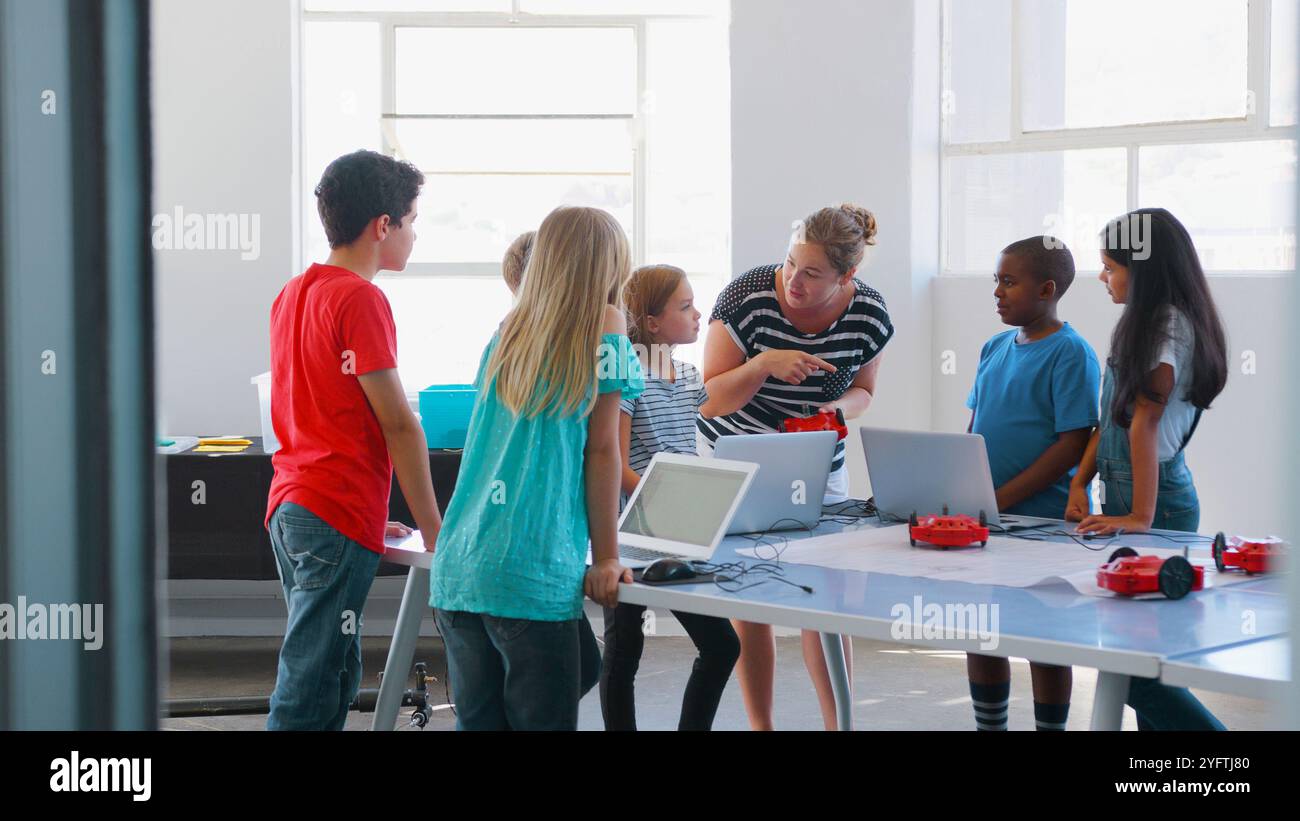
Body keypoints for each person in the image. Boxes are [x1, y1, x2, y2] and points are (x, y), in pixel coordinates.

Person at [430, 206, 644, 730]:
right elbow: (602, 452)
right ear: (609, 267)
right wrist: (607, 560)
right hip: (529, 570)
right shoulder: (606, 323)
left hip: (461, 565)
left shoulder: (508, 329)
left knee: (510, 705)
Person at [265, 149, 443, 730]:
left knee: (332, 669)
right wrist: (435, 531)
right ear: (382, 225)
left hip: (298, 507)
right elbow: (398, 423)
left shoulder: (295, 293)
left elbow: (323, 411)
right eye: (411, 221)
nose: (414, 235)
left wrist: (367, 514)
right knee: (311, 680)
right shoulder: (361, 298)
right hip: (329, 511)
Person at [698, 203, 894, 730]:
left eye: (811, 274)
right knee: (749, 599)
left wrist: (834, 412)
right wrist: (763, 363)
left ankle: (839, 724)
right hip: (738, 453)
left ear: (846, 276)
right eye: (789, 264)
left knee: (825, 598)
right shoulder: (748, 297)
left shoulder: (869, 313)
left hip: (816, 461)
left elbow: (864, 392)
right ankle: (763, 727)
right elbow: (710, 399)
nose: (793, 282)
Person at [963, 236, 1100, 730]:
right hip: (987, 520)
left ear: (1046, 289)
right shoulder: (993, 346)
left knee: (1044, 638)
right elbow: (976, 428)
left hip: (1042, 522)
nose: (997, 292)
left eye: (1009, 282)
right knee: (980, 630)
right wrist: (971, 494)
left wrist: (998, 500)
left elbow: (1072, 443)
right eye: (996, 280)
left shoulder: (1071, 352)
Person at [600, 264, 740, 730]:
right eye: (685, 306)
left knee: (721, 645)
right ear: (653, 322)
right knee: (623, 652)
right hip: (632, 532)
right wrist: (668, 500)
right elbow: (616, 466)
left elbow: (687, 448)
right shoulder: (625, 376)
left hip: (678, 529)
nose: (699, 315)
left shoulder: (687, 373)